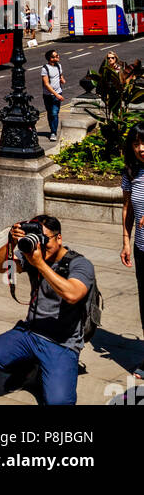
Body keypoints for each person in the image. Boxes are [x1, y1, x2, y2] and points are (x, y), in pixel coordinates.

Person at [0, 215, 96, 406]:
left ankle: (48, 368)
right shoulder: (33, 253)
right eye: (37, 240)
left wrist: (40, 264)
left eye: (45, 241)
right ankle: (27, 368)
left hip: (62, 342)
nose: (41, 247)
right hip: (31, 332)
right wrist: (11, 243)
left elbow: (73, 294)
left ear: (59, 238)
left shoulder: (79, 264)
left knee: (58, 402)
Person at [121, 124, 144, 384]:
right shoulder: (131, 171)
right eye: (136, 144)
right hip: (142, 248)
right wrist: (126, 241)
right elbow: (127, 208)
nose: (141, 148)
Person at [41, 47, 65, 141]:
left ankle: (53, 132)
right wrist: (56, 94)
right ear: (50, 59)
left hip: (58, 92)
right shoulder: (45, 68)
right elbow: (46, 84)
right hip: (48, 95)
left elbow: (61, 75)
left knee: (54, 113)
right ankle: (52, 129)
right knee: (50, 113)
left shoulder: (59, 66)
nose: (58, 57)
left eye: (57, 55)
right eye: (55, 56)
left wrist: (62, 79)